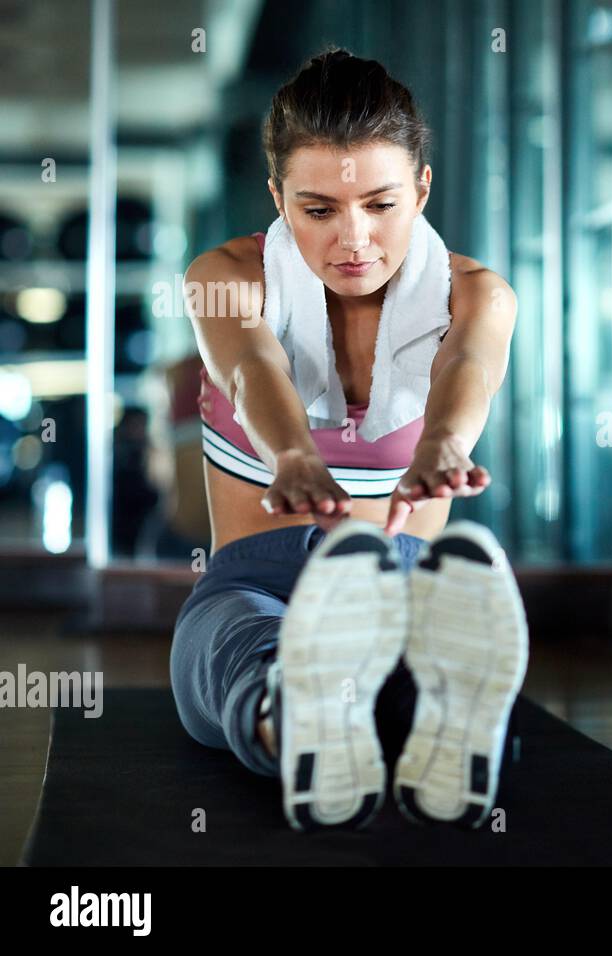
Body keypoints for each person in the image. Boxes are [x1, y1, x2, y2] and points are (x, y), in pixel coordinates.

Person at [169, 47, 528, 831]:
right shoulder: (226, 275)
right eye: (319, 210)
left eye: (381, 203)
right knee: (229, 647)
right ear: (277, 198)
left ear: (423, 188)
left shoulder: (477, 296)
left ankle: (418, 709)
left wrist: (444, 443)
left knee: (406, 654)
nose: (353, 239)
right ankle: (309, 718)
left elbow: (467, 363)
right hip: (254, 582)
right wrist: (292, 454)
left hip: (399, 590)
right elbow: (250, 367)